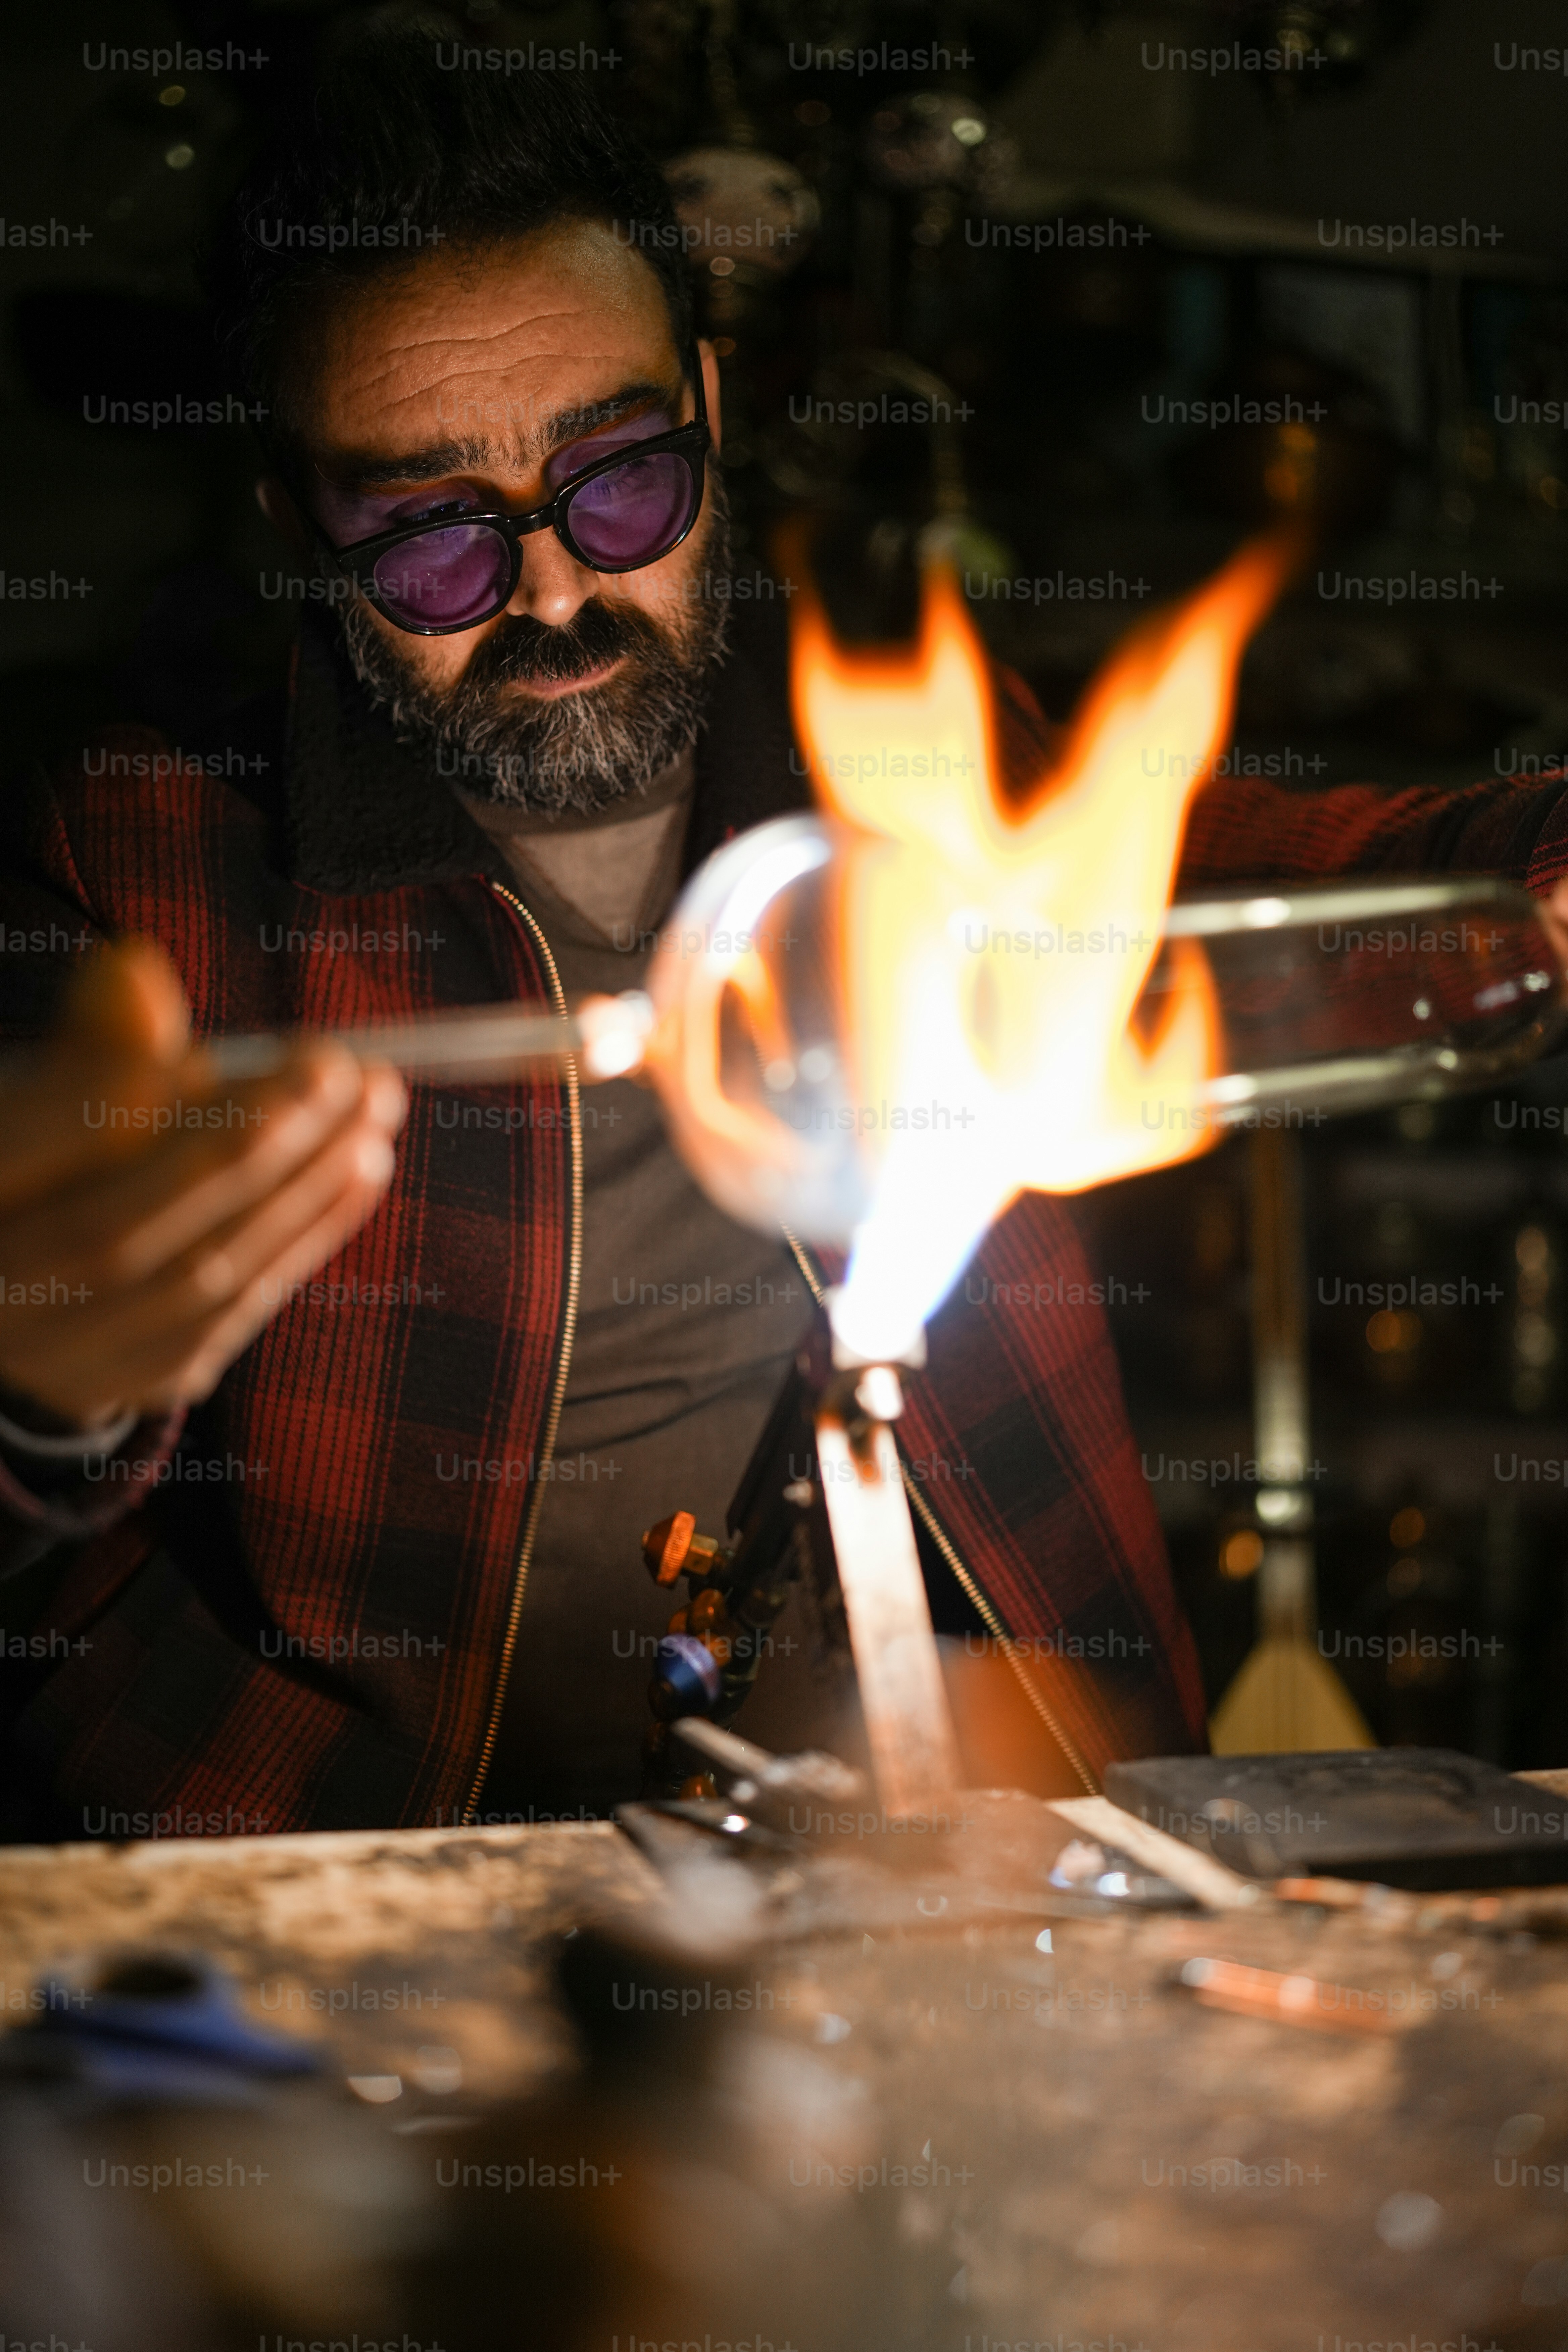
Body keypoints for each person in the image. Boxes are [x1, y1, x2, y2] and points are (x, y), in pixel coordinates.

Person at [0, 33, 1562, 1842]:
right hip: (360, 1872)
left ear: (712, 413)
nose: (558, 586)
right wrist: (44, 1396)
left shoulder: (893, 767)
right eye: (432, 537)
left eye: (623, 483)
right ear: (296, 526)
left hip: (945, 1832)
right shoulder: (125, 867)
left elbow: (1335, 882)